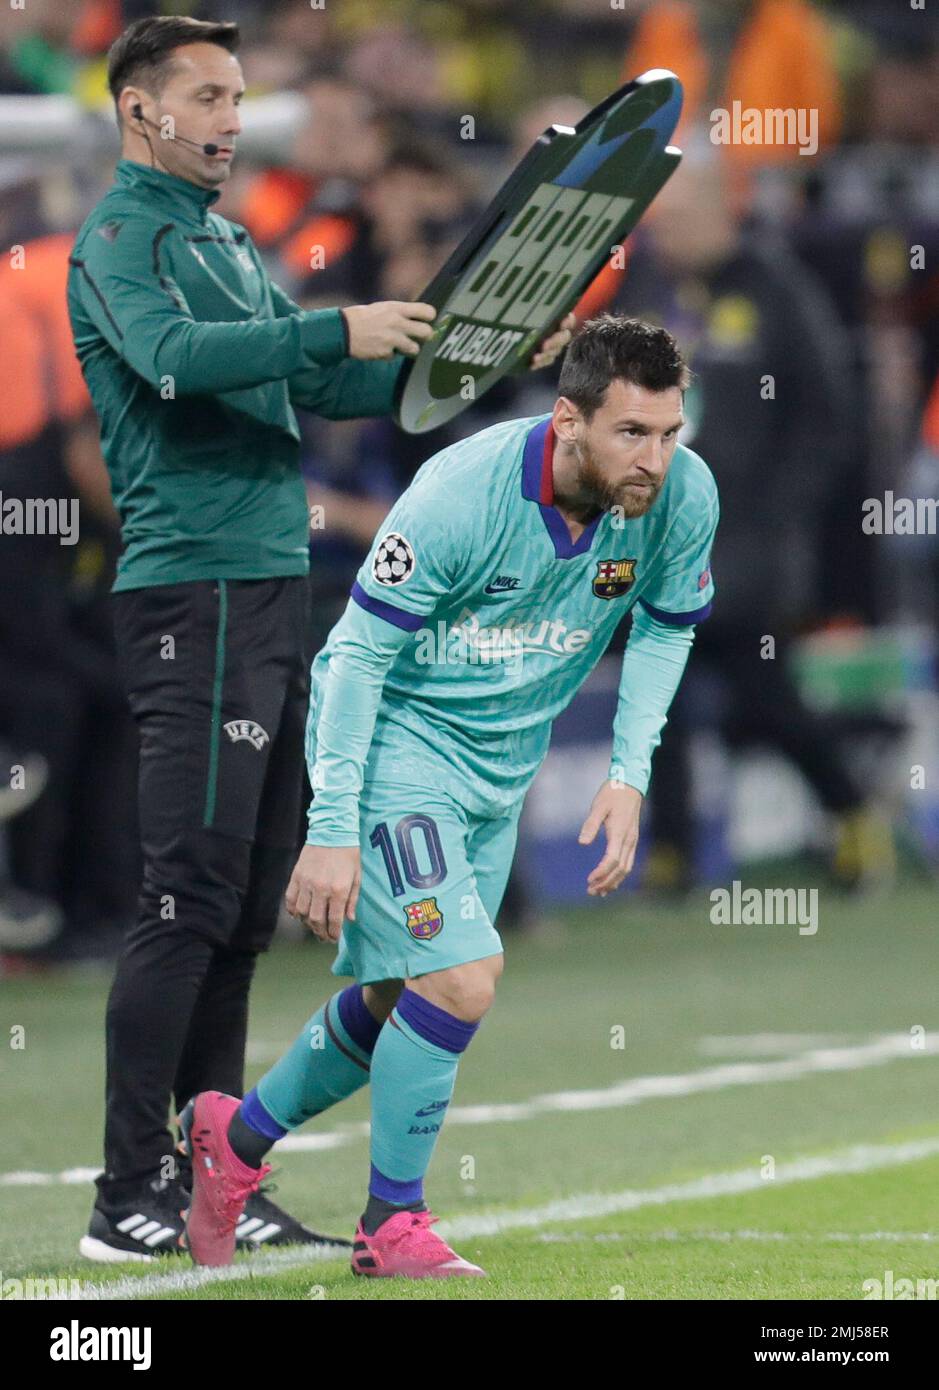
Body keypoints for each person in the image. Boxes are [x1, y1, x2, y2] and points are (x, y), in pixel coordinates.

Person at [66, 13, 571, 1263]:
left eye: (241, 96)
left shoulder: (226, 242)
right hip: (198, 592)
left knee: (238, 907)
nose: (236, 119)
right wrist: (330, 327)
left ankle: (206, 1177)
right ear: (141, 113)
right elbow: (177, 363)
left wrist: (487, 349)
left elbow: (337, 380)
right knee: (187, 893)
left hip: (274, 589)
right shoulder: (122, 240)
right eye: (210, 97)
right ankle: (122, 1188)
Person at [177, 314, 720, 1276]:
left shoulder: (680, 498)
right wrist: (334, 825)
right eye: (632, 433)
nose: (656, 458)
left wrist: (629, 772)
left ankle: (235, 1139)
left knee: (398, 994)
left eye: (669, 432)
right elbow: (351, 657)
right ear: (566, 419)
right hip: (403, 751)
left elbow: (670, 627)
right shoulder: (458, 496)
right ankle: (391, 1225)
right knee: (464, 978)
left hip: (502, 768)